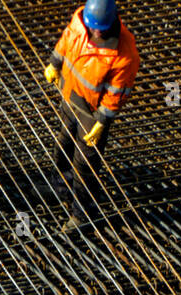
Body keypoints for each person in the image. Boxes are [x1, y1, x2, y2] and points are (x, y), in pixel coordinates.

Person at [44, 0, 140, 234]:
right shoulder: (80, 21)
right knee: (63, 147)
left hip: (91, 114)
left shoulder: (124, 54)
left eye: (99, 28)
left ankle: (82, 215)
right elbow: (66, 40)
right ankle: (61, 190)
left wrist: (103, 120)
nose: (94, 31)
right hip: (69, 98)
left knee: (85, 166)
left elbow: (117, 92)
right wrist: (55, 64)